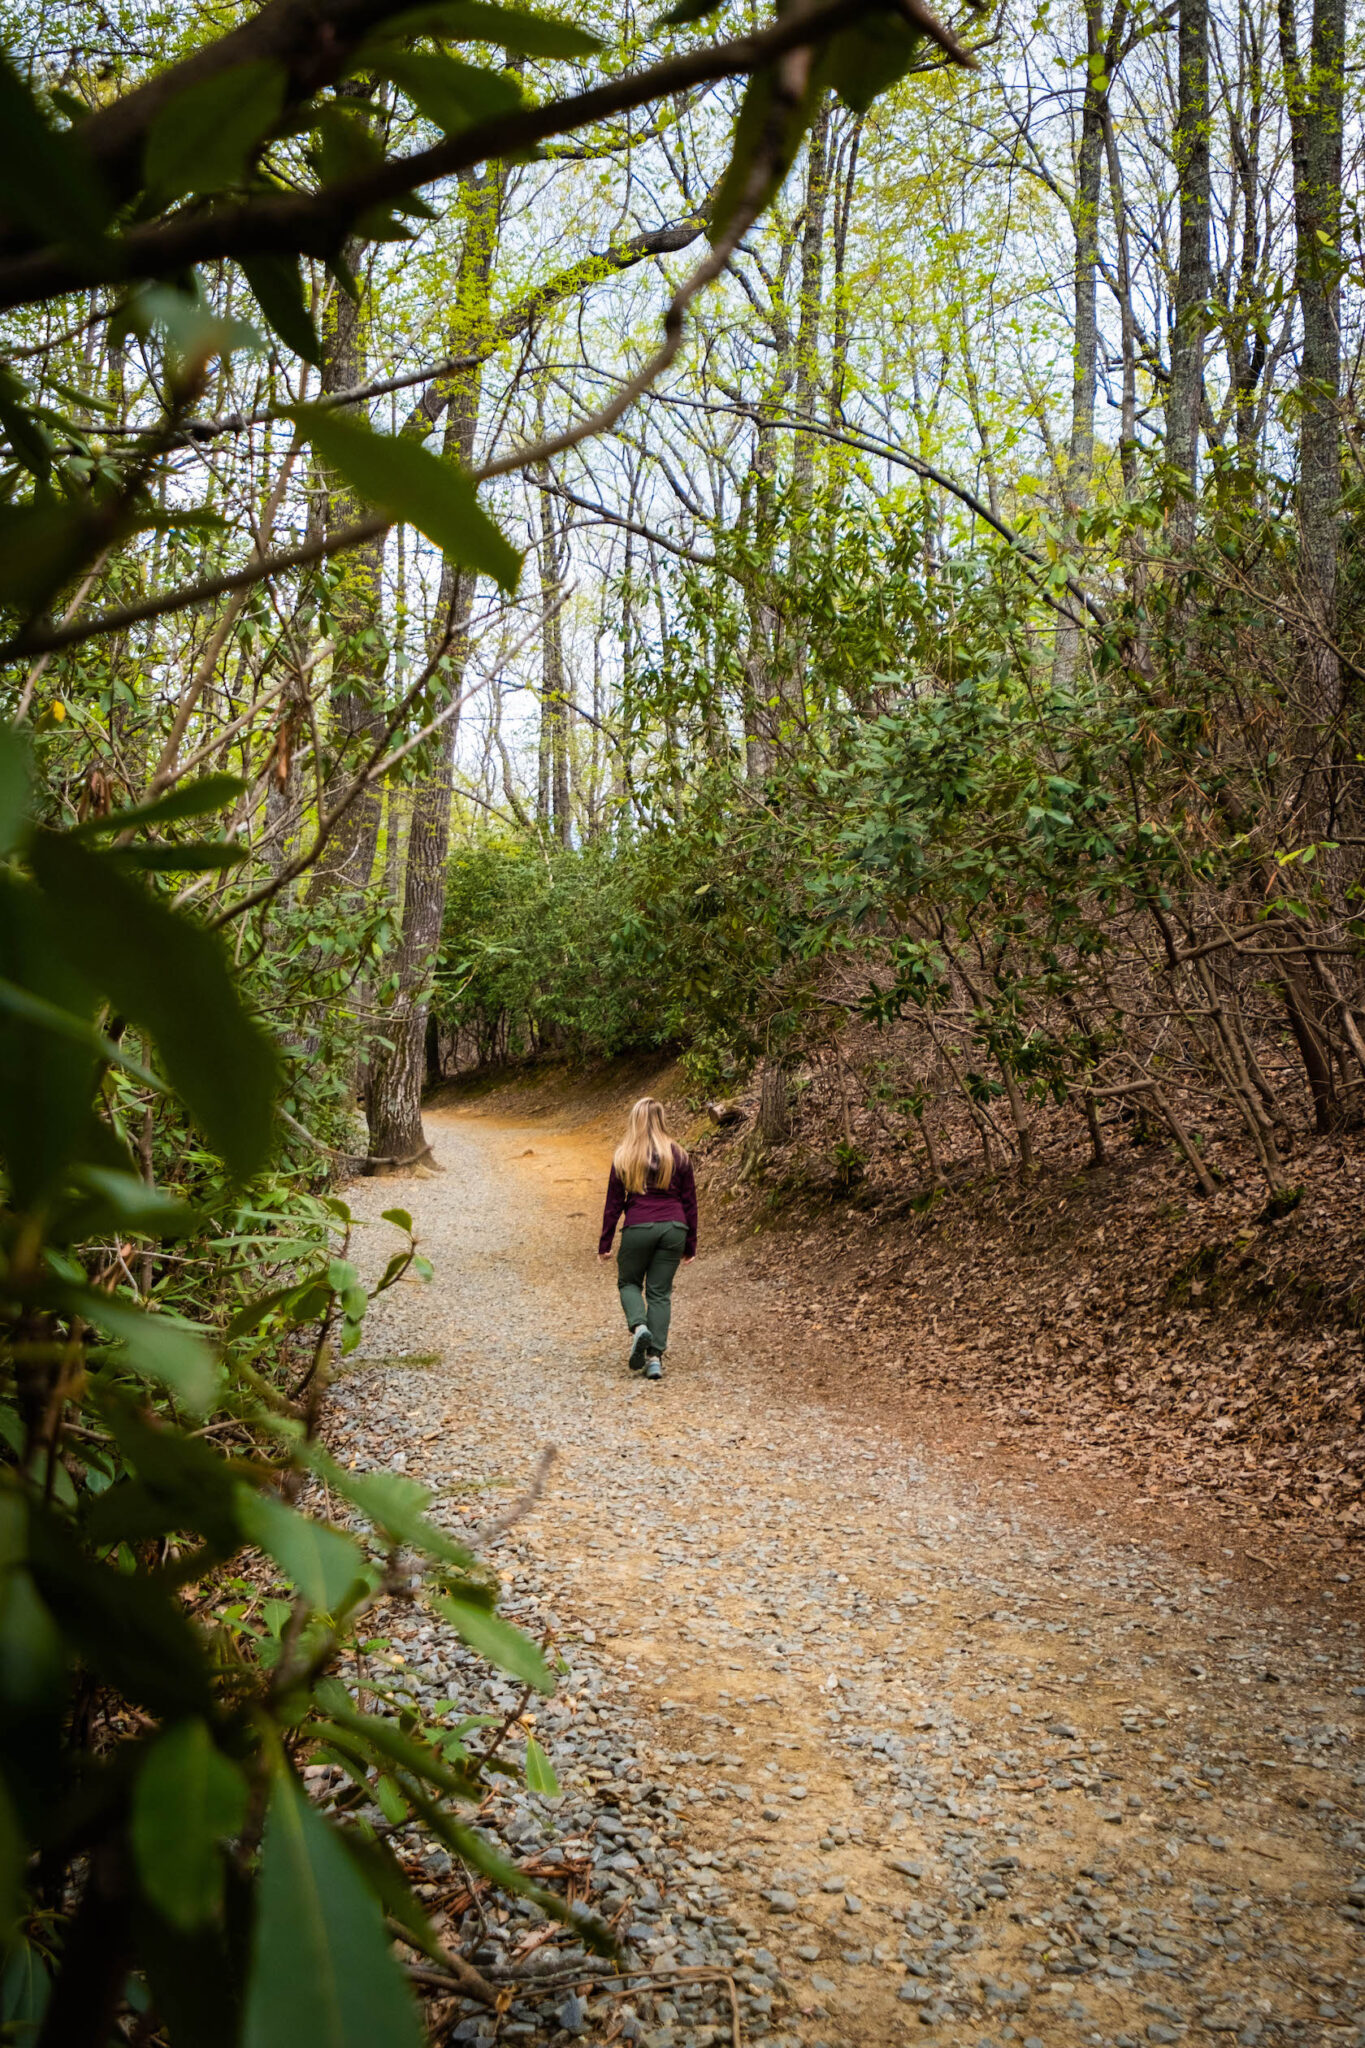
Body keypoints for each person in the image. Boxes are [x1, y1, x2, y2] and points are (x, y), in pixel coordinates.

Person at [597, 1096, 697, 1381]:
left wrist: (605, 1244)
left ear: (635, 1121)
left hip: (639, 1226)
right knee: (659, 1292)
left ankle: (639, 1327)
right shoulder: (678, 1154)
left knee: (628, 1282)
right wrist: (691, 1244)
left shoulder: (624, 1156)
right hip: (675, 1227)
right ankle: (654, 1359)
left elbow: (613, 1204)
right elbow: (690, 1202)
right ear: (662, 1119)